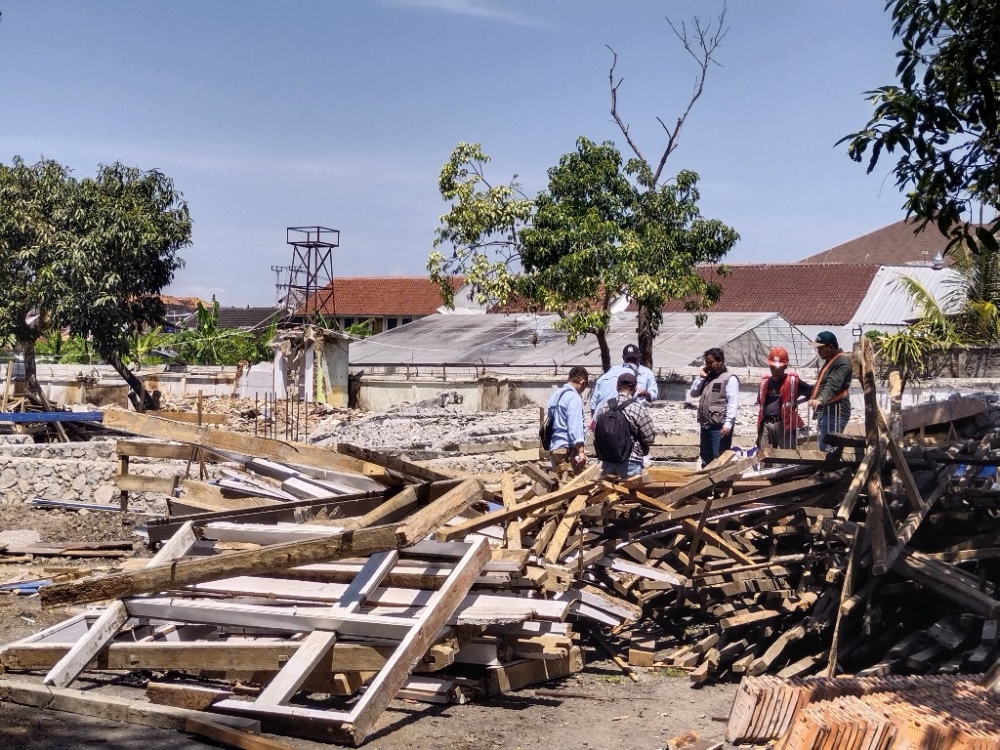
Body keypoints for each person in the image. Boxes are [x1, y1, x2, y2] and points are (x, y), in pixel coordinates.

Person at [593, 371, 656, 479]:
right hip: (630, 462)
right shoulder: (637, 408)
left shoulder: (603, 407)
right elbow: (650, 437)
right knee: (630, 495)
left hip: (607, 461)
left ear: (617, 387)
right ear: (634, 389)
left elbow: (596, 431)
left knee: (608, 494)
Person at [689, 347, 739, 467]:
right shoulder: (708, 378)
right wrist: (701, 378)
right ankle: (707, 485)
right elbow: (693, 393)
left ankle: (719, 485)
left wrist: (728, 424)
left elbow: (732, 403)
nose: (708, 365)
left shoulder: (729, 378)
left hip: (719, 428)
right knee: (706, 459)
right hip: (706, 426)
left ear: (720, 361)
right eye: (707, 362)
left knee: (719, 459)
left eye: (711, 362)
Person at [755, 347, 813, 450]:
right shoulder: (764, 383)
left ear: (785, 366)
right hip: (766, 425)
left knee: (787, 456)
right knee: (765, 456)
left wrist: (798, 402)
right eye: (772, 367)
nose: (775, 371)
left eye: (778, 368)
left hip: (784, 424)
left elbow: (811, 392)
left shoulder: (792, 382)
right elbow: (761, 404)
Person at [806, 331, 853, 452]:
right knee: (825, 448)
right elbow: (822, 385)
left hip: (836, 412)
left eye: (821, 348)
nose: (818, 351)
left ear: (831, 346)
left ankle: (830, 470)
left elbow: (833, 385)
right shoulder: (831, 360)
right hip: (827, 410)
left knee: (828, 449)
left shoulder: (842, 361)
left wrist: (820, 399)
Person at [588, 343, 658, 417]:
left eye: (634, 359)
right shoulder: (615, 370)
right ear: (623, 358)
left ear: (639, 357)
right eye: (628, 359)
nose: (631, 362)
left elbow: (654, 393)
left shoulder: (646, 373)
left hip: (637, 413)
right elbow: (595, 399)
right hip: (618, 413)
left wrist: (645, 394)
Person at [544, 366, 589, 477]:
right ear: (582, 382)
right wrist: (581, 451)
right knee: (573, 490)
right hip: (567, 452)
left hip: (555, 449)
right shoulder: (574, 398)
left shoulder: (555, 396)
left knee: (559, 488)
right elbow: (574, 426)